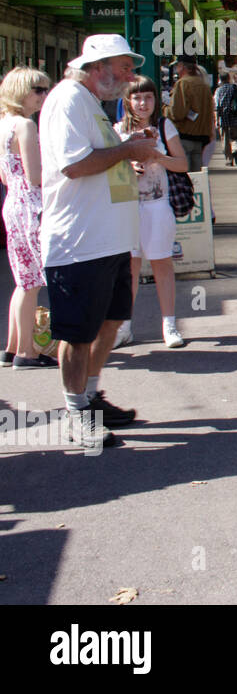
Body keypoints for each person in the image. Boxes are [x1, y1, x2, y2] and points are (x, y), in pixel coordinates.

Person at [41, 34, 162, 450]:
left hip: (108, 241)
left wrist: (126, 156)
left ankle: (90, 396)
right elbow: (73, 166)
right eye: (125, 67)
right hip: (80, 241)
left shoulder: (89, 102)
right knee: (78, 333)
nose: (131, 77)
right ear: (99, 67)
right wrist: (128, 148)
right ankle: (76, 413)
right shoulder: (68, 99)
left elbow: (95, 160)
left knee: (109, 322)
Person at [114, 76, 188, 349]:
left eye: (147, 97)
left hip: (158, 204)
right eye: (136, 98)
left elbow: (183, 164)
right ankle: (124, 327)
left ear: (156, 101)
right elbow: (110, 169)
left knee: (162, 265)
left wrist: (158, 157)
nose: (142, 103)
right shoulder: (118, 130)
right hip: (128, 206)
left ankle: (169, 324)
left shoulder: (164, 126)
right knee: (129, 269)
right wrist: (127, 166)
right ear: (127, 101)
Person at [0, 66, 56, 368]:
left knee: (23, 280)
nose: (43, 96)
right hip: (33, 207)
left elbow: (6, 178)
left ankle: (11, 347)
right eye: (38, 90)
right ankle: (27, 352)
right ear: (21, 91)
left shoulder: (4, 123)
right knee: (32, 281)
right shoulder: (25, 125)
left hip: (13, 204)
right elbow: (35, 177)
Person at [165, 59, 214, 171]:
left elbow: (177, 113)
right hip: (201, 138)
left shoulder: (183, 84)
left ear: (182, 66)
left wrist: (165, 109)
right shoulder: (204, 86)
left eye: (177, 66)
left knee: (184, 175)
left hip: (185, 136)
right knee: (197, 178)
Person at [213, 71, 237, 166]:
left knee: (225, 139)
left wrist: (217, 120)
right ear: (228, 78)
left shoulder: (218, 91)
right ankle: (236, 149)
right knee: (236, 137)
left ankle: (229, 159)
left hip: (223, 118)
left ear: (220, 80)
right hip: (235, 116)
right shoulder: (235, 87)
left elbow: (216, 106)